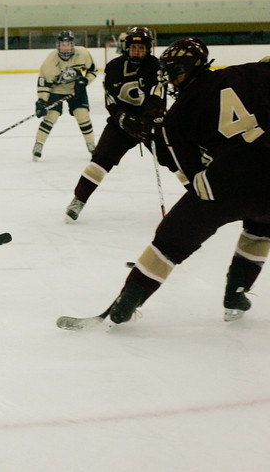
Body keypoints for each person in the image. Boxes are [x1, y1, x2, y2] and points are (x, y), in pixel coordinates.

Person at [97, 38, 270, 324]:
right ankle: (236, 293)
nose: (171, 78)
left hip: (222, 185)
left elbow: (176, 158)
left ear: (190, 69)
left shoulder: (182, 109)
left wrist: (199, 185)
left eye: (175, 71)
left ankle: (129, 299)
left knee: (170, 241)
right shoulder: (244, 73)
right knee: (262, 227)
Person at [64, 27, 165, 222]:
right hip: (121, 125)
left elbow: (157, 95)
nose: (137, 51)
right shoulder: (114, 67)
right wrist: (122, 118)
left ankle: (201, 197)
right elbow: (110, 101)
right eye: (134, 47)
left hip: (149, 122)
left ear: (148, 49)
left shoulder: (156, 66)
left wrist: (151, 117)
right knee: (100, 159)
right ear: (127, 47)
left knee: (176, 156)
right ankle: (79, 199)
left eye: (141, 48)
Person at [32, 30, 97, 161]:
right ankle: (38, 144)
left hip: (76, 90)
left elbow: (93, 71)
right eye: (63, 45)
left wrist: (85, 81)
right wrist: (41, 102)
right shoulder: (51, 60)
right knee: (51, 117)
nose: (65, 48)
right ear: (58, 46)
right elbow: (44, 83)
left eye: (68, 44)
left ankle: (91, 146)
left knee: (83, 116)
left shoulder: (82, 53)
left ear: (72, 45)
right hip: (57, 90)